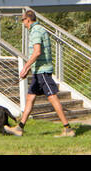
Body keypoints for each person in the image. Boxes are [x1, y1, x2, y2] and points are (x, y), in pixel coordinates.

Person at [16, 9, 75, 137]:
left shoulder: (36, 31)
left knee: (52, 97)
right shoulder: (39, 29)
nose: (23, 23)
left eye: (23, 20)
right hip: (38, 71)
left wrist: (25, 67)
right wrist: (31, 69)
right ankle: (19, 128)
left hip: (42, 71)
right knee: (30, 97)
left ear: (28, 19)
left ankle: (68, 129)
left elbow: (37, 52)